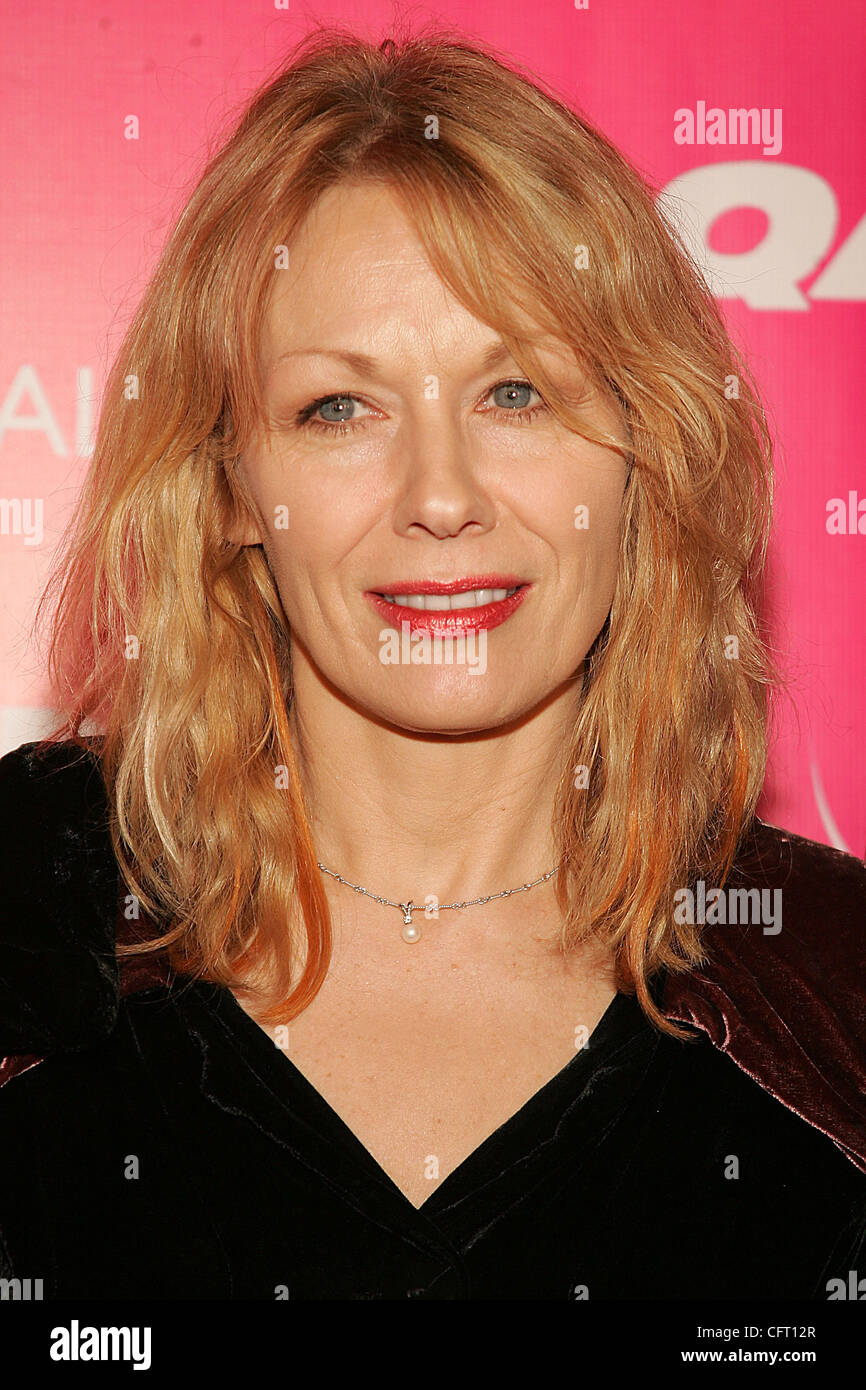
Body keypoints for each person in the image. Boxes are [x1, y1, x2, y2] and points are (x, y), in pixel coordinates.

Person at [1, 23, 864, 1302]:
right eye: (337, 408)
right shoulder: (33, 911)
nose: (441, 497)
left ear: (644, 454)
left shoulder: (830, 987)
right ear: (228, 484)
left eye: (514, 392)